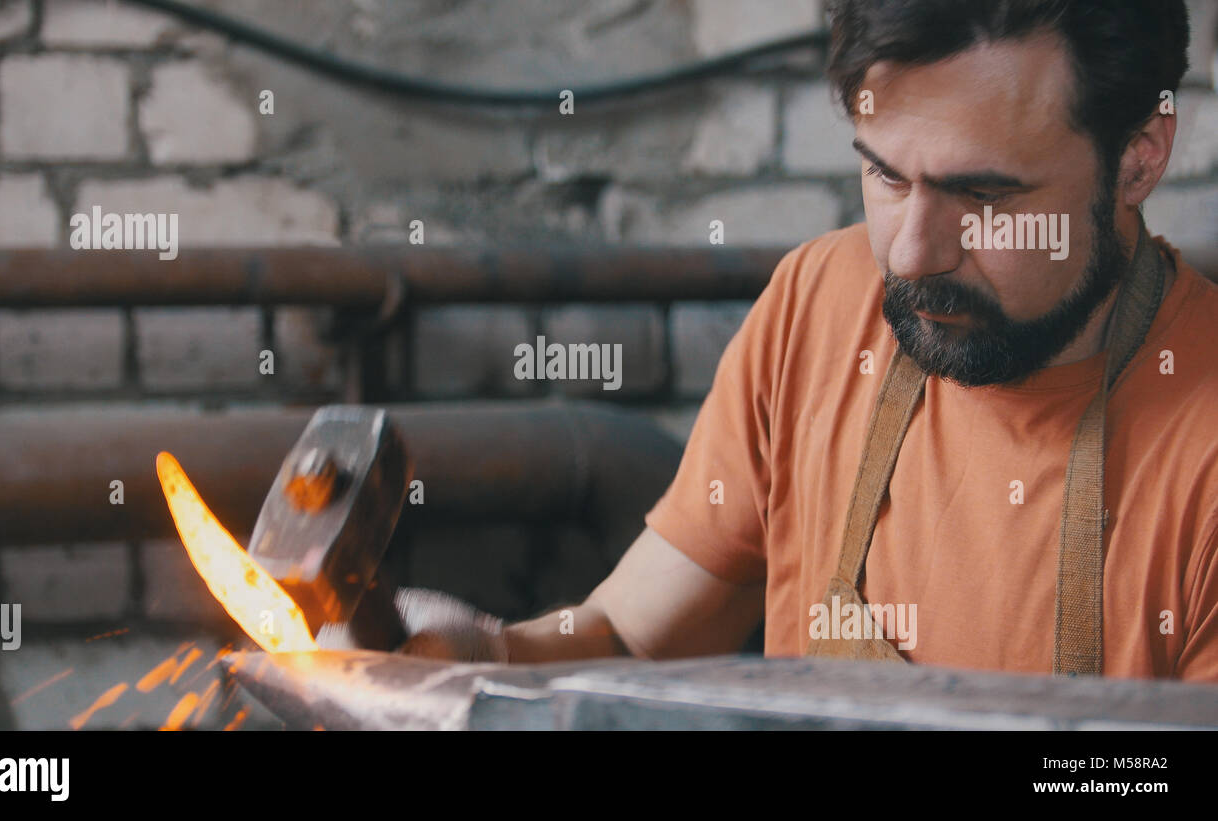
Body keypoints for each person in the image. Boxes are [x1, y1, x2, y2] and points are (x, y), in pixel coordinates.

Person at [393, 0, 1218, 681]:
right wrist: (480, 654)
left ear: (1139, 161)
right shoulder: (820, 306)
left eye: (982, 194)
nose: (909, 254)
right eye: (887, 175)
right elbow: (627, 634)